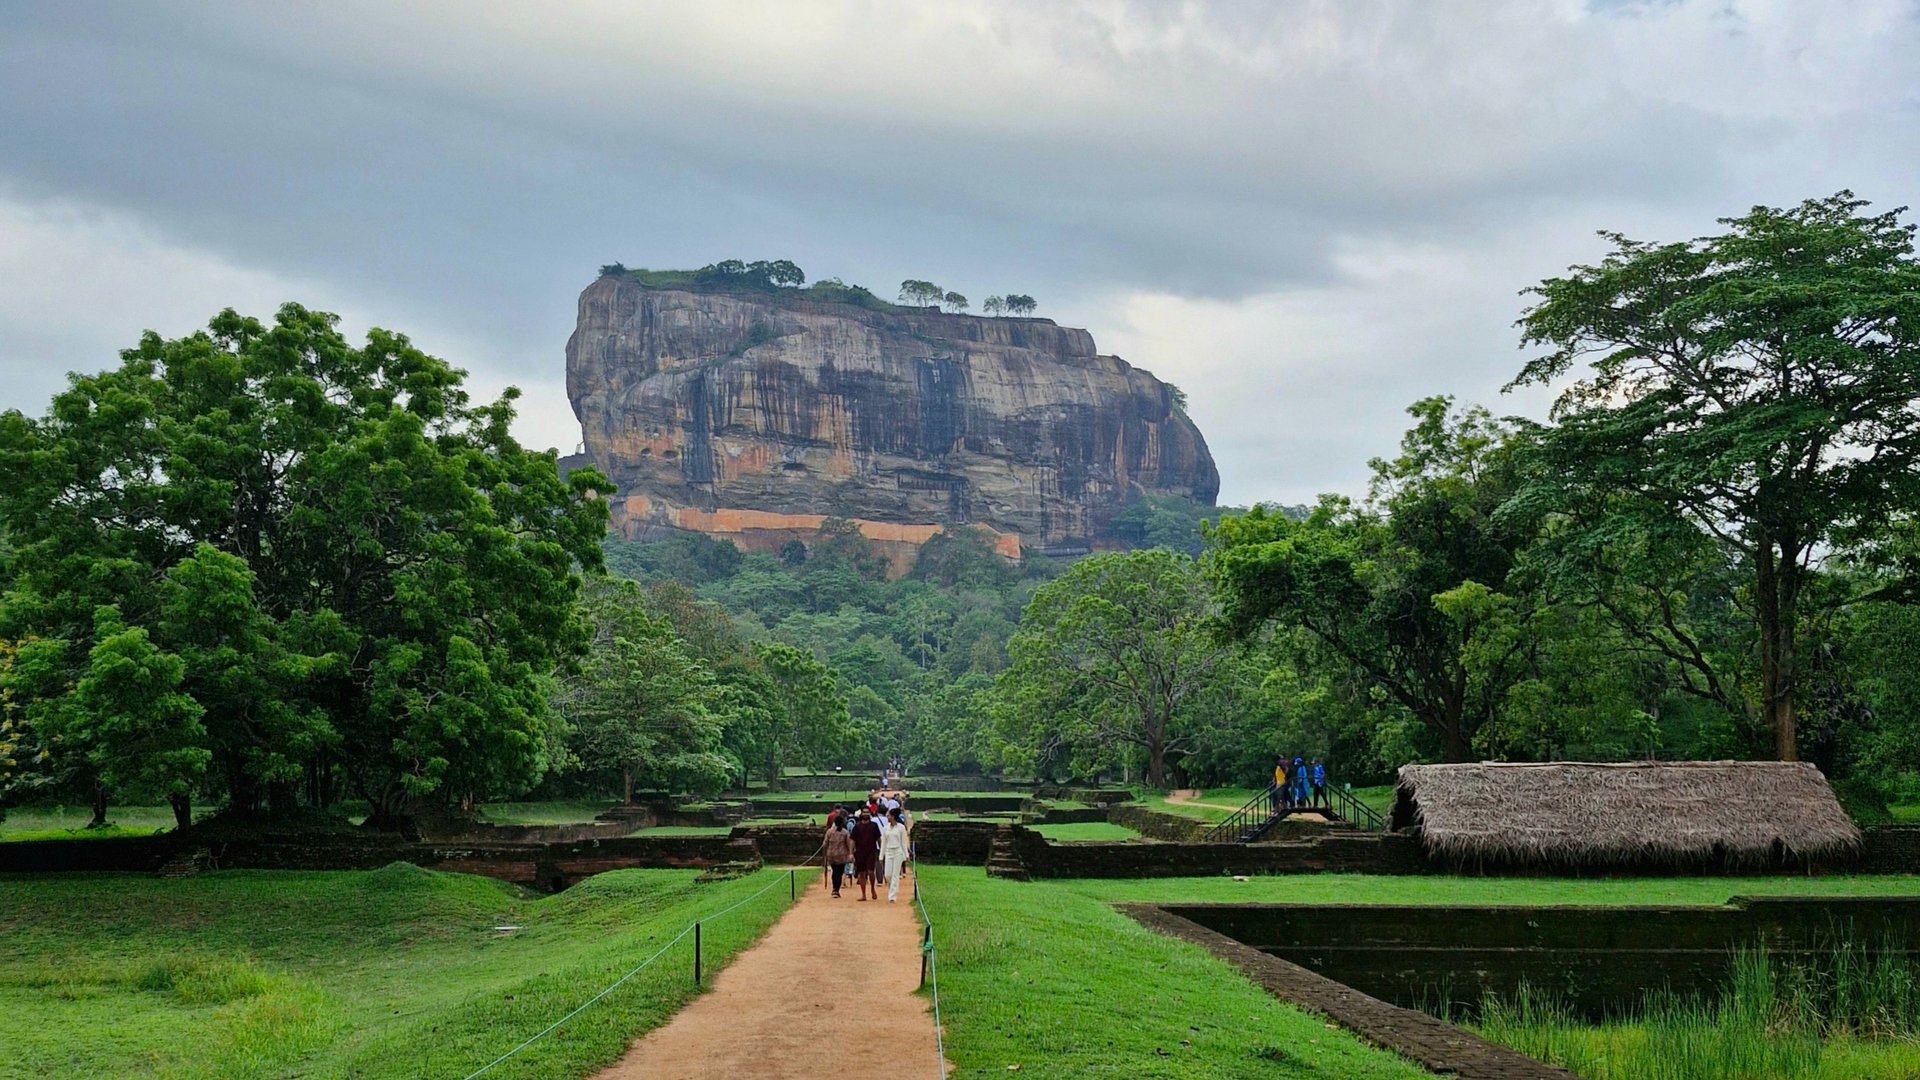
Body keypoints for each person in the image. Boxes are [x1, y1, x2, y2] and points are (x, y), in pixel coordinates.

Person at [880, 806, 911, 902]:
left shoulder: (901, 828)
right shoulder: (886, 828)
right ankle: (892, 889)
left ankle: (892, 896)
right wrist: (881, 856)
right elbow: (883, 842)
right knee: (887, 874)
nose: (887, 817)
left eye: (888, 816)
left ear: (893, 817)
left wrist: (906, 855)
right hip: (888, 852)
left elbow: (903, 842)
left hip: (898, 852)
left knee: (895, 874)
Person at [850, 809, 882, 901]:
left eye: (867, 812)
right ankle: (863, 894)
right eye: (864, 812)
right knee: (862, 873)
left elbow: (878, 838)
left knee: (871, 871)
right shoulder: (857, 826)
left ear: (870, 814)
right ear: (861, 814)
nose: (866, 814)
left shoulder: (874, 826)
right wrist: (851, 852)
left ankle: (872, 888)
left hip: (871, 851)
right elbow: (852, 840)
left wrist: (881, 850)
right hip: (859, 852)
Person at [823, 815, 854, 897]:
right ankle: (836, 889)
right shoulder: (845, 832)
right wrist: (851, 853)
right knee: (839, 873)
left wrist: (824, 854)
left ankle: (834, 889)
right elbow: (849, 844)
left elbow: (825, 844)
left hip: (831, 855)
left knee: (835, 872)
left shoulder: (829, 832)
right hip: (842, 856)